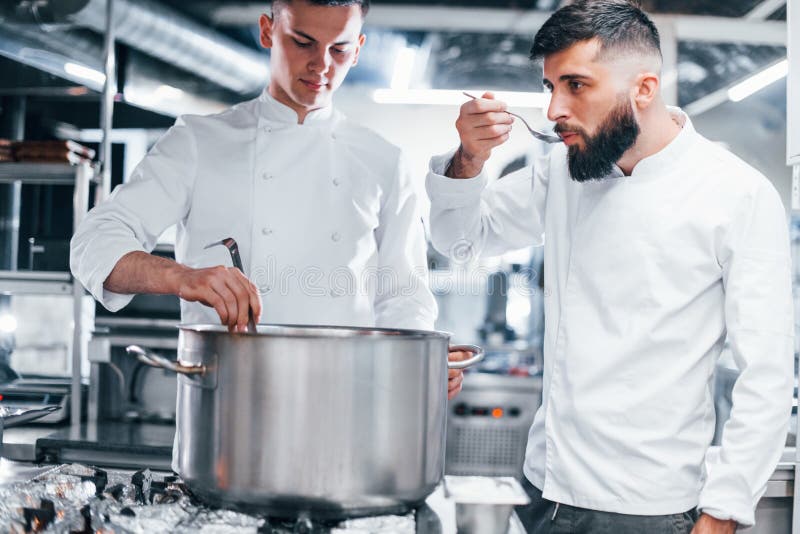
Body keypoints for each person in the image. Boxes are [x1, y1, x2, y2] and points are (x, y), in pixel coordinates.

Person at [426, 1, 793, 532]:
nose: (553, 109)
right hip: (544, 491)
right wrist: (469, 161)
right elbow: (459, 241)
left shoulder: (736, 194)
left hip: (647, 508)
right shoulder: (562, 172)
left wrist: (723, 511)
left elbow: (768, 374)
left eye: (575, 85)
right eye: (550, 87)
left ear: (643, 88)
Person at [70, 0, 466, 399]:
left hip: (345, 411)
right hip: (227, 411)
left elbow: (404, 295)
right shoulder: (198, 142)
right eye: (303, 42)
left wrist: (422, 364)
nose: (321, 64)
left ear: (359, 48)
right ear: (267, 31)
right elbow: (93, 245)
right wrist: (183, 277)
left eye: (339, 49)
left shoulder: (384, 160)